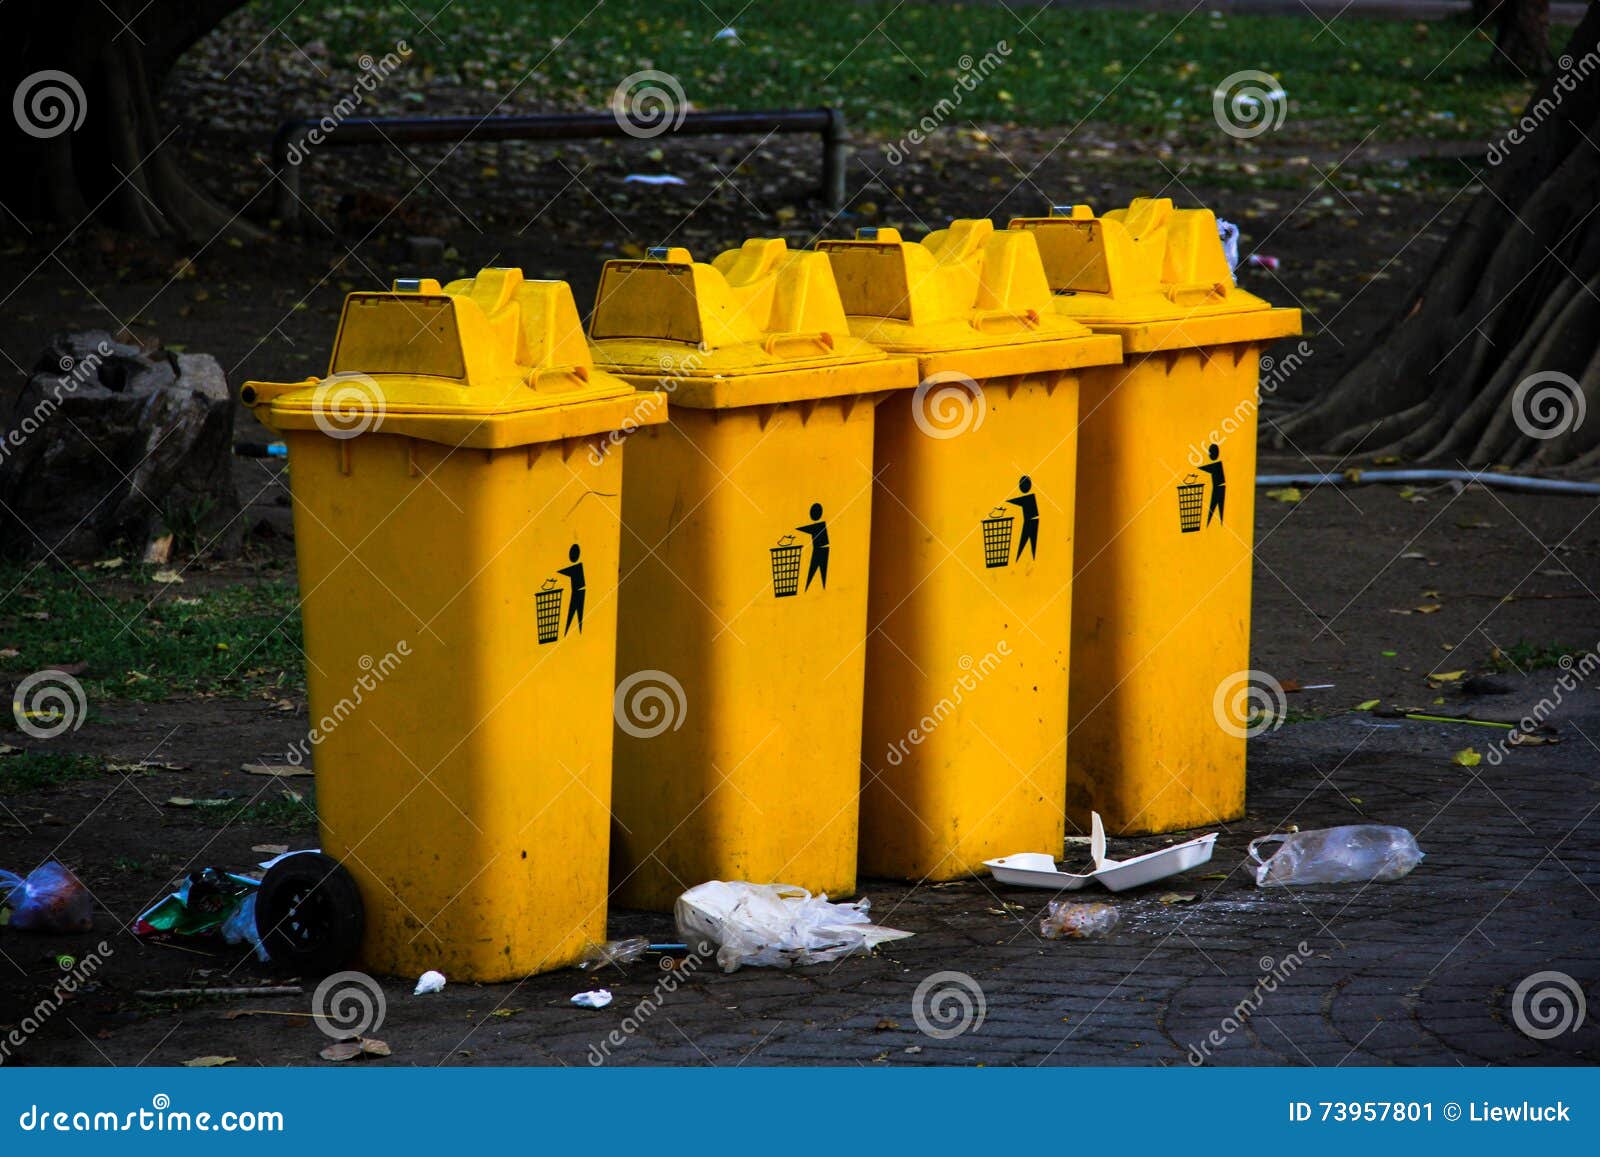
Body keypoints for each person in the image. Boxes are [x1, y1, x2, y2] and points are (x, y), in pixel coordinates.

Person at [797, 502, 830, 591]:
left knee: (817, 570)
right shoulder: (820, 525)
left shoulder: (820, 525)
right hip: (820, 549)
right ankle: (809, 588)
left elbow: (808, 529)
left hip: (821, 549)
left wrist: (797, 529)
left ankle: (811, 588)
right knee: (815, 570)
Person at [1008, 475, 1040, 561]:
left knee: (1027, 542)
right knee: (1026, 542)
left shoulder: (1029, 498)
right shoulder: (1029, 497)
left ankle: (1021, 559)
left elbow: (1019, 501)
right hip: (1031, 520)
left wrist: (1007, 501)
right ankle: (1021, 558)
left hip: (1031, 521)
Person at [558, 543, 585, 635]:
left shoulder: (577, 568)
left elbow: (568, 571)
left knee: (576, 613)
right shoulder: (577, 567)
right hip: (577, 591)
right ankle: (568, 631)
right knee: (573, 613)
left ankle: (571, 631)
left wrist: (559, 571)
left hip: (579, 592)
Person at [1199, 443, 1226, 526]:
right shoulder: (1217, 464)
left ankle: (1213, 524)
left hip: (1219, 488)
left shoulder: (1217, 464)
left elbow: (1206, 468)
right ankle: (1212, 524)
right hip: (1219, 487)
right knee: (1214, 508)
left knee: (1215, 507)